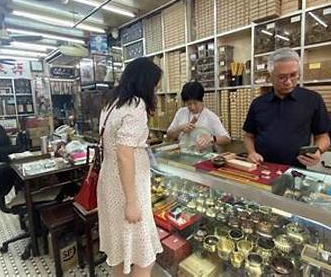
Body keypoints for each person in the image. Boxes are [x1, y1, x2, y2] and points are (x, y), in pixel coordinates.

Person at [97, 58, 163, 277]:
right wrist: (132, 202)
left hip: (110, 185)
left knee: (120, 250)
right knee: (145, 258)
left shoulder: (112, 103)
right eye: (154, 85)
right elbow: (125, 154)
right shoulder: (136, 105)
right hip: (127, 190)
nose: (155, 91)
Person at [243, 48, 331, 168]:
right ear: (270, 76)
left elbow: (323, 137)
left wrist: (318, 151)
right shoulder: (258, 103)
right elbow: (249, 136)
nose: (289, 82)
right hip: (262, 167)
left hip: (295, 169)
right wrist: (251, 152)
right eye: (282, 77)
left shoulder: (313, 99)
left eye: (293, 75)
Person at [167, 81, 231, 150]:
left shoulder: (211, 117)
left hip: (203, 157)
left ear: (201, 100)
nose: (192, 107)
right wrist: (180, 128)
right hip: (183, 155)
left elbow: (227, 139)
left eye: (195, 103)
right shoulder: (181, 113)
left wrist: (211, 138)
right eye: (189, 104)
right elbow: (169, 135)